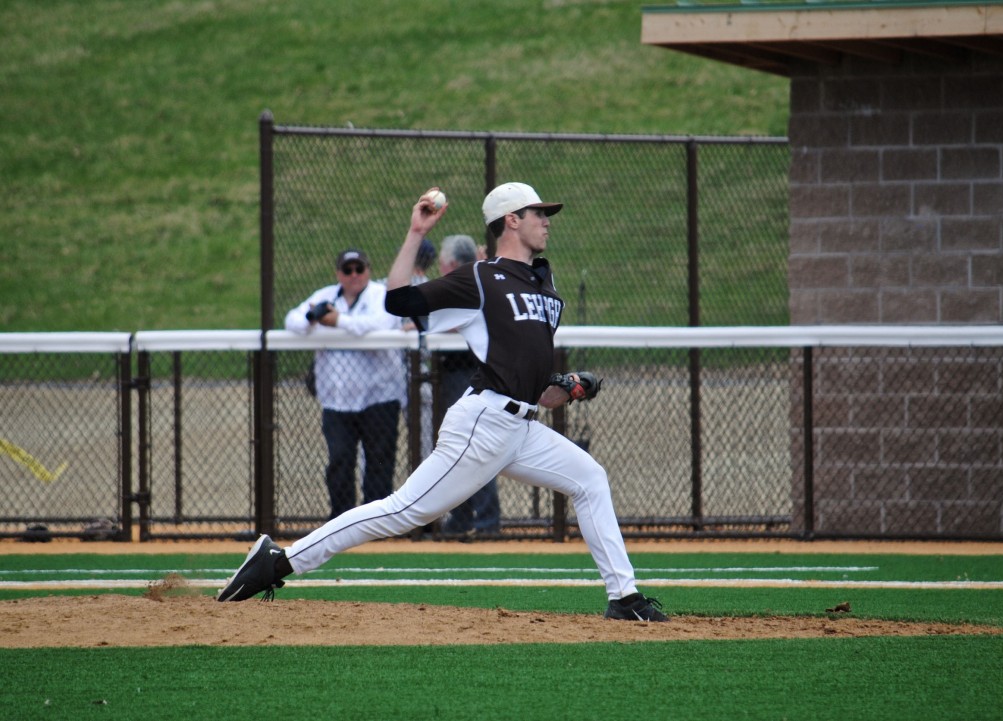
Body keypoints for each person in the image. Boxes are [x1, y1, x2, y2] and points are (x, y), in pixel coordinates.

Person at [218, 182, 668, 622]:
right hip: (484, 422)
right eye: (538, 213)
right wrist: (417, 233)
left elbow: (537, 393)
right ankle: (280, 562)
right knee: (404, 510)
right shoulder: (480, 279)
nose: (546, 221)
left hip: (521, 425)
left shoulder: (544, 286)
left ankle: (623, 597)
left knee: (590, 478)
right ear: (511, 220)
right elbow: (398, 301)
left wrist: (567, 387)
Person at [284, 249, 406, 519]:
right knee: (339, 459)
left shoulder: (380, 294)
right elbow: (292, 320)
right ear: (338, 273)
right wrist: (312, 319)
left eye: (359, 269)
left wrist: (337, 321)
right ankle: (342, 520)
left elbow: (381, 323)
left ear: (368, 270)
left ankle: (376, 522)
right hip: (337, 399)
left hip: (380, 394)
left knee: (379, 461)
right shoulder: (326, 296)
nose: (353, 275)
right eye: (347, 270)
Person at [433, 234, 501, 537]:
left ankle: (485, 522)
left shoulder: (466, 282)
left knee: (475, 448)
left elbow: (445, 321)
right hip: (457, 373)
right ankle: (461, 520)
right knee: (459, 449)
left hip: (467, 373)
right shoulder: (476, 278)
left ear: (448, 264)